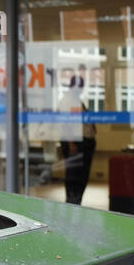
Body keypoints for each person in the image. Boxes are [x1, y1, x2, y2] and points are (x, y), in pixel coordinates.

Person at [58, 73, 97, 205]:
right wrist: (71, 144)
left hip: (84, 141)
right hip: (75, 143)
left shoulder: (77, 101)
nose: (81, 89)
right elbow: (65, 124)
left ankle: (76, 202)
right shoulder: (67, 101)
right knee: (74, 176)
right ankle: (72, 203)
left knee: (82, 176)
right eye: (79, 86)